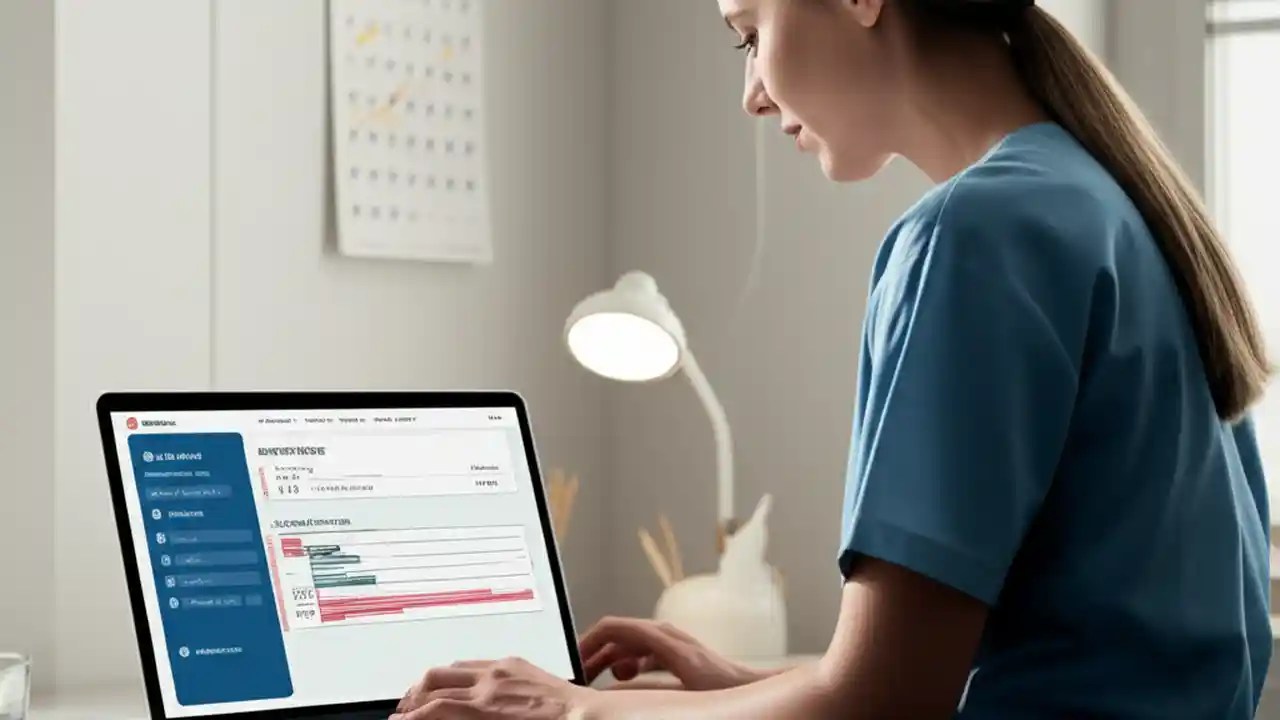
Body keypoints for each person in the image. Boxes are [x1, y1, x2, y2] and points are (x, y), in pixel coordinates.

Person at [392, 0, 1273, 717]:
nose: (752, 95)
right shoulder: (1114, 206)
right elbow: (964, 678)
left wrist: (572, 708)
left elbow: (880, 705)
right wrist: (737, 681)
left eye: (750, 35)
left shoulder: (974, 235)